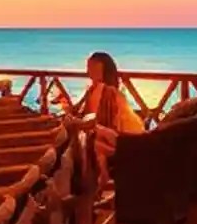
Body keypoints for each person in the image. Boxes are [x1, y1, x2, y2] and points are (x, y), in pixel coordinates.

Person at [56, 52, 143, 185]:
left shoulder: (107, 92)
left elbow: (98, 122)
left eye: (91, 67)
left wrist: (75, 121)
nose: (87, 71)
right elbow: (86, 116)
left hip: (122, 140)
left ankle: (96, 183)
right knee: (73, 143)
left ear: (101, 69)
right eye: (88, 67)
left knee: (83, 145)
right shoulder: (94, 89)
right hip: (109, 134)